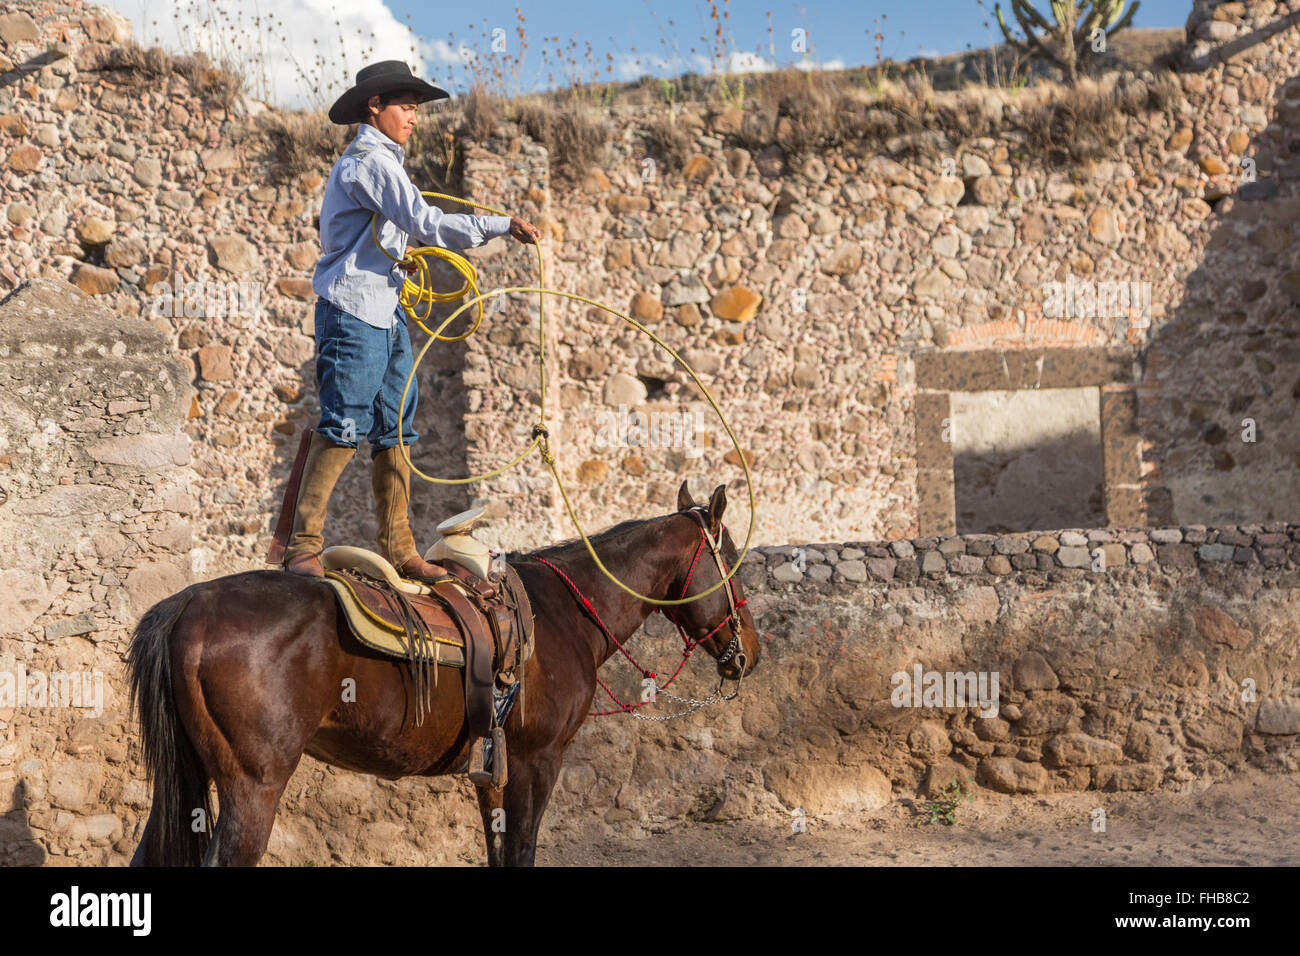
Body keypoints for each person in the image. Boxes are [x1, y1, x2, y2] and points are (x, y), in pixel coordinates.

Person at [282, 60, 540, 580]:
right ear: (373, 107)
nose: (414, 117)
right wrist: (499, 224)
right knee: (344, 423)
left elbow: (408, 226)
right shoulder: (370, 163)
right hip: (355, 309)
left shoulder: (385, 162)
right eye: (405, 106)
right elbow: (424, 223)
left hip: (386, 307)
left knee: (396, 429)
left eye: (417, 108)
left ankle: (400, 549)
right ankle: (303, 548)